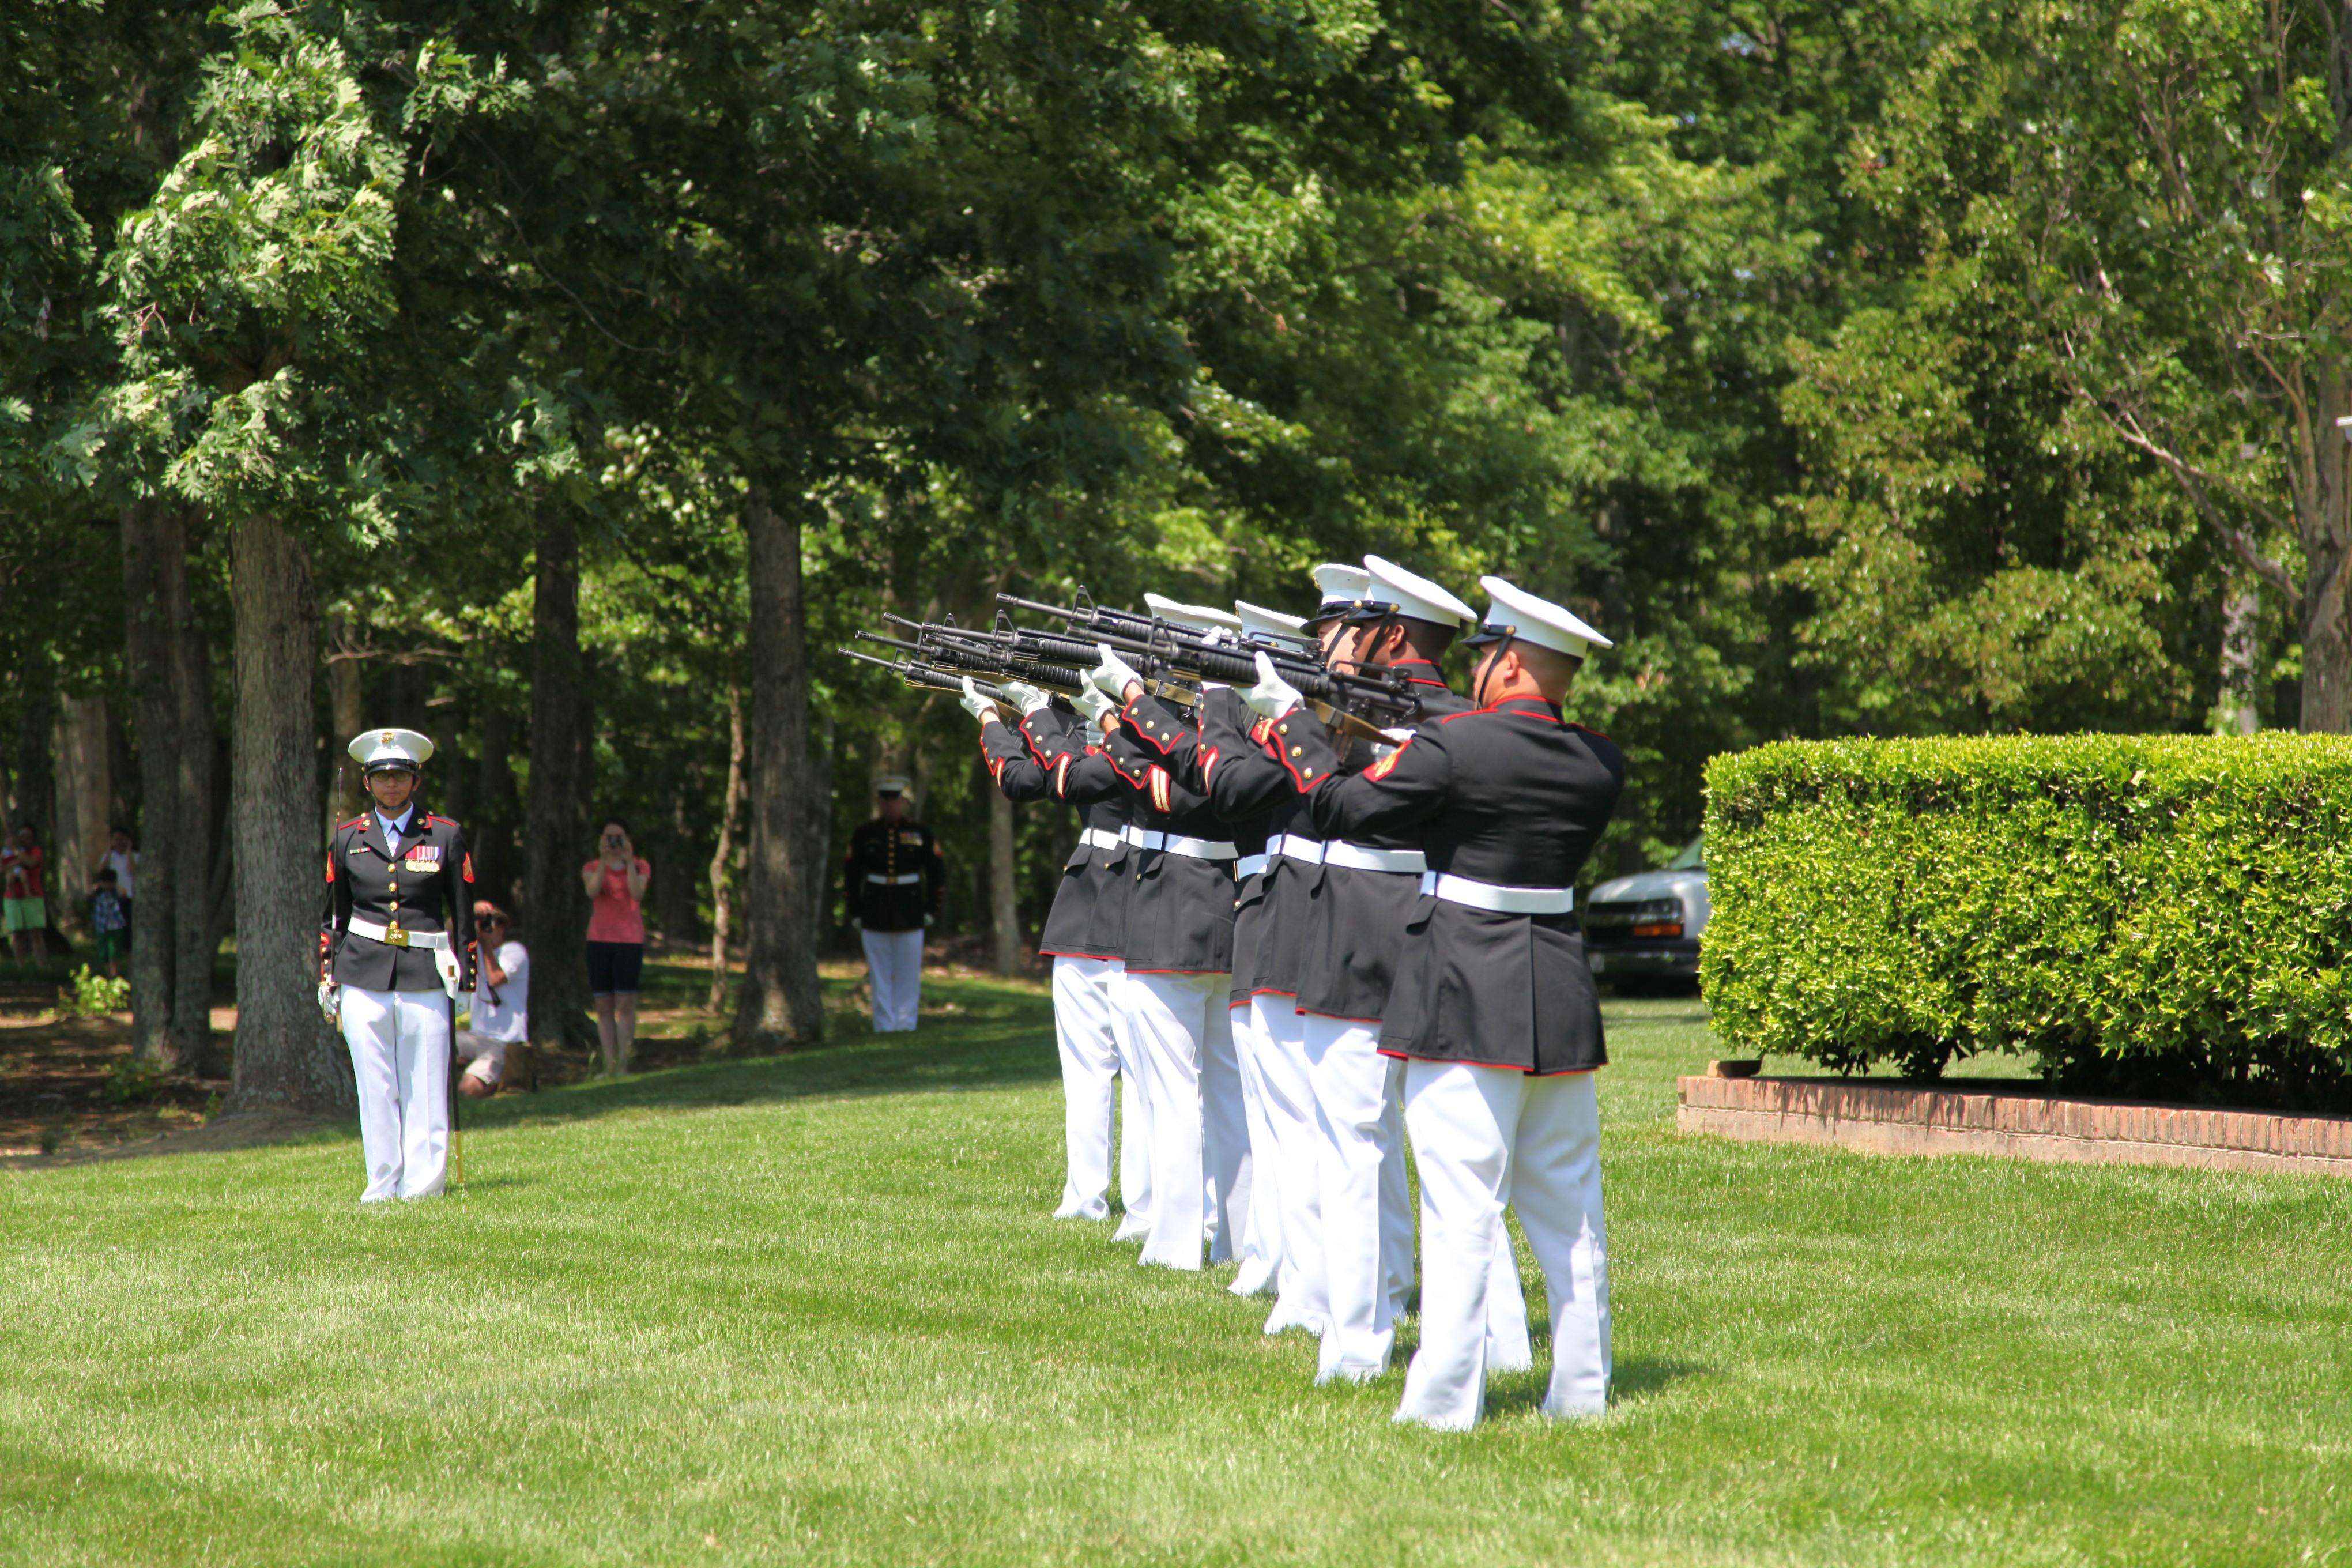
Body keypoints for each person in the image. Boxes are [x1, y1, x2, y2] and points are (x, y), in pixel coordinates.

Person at [1247, 575, 1625, 1428]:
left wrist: (1293, 726)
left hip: (1464, 992)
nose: (1479, 665)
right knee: (1570, 1213)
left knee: (1460, 1210)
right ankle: (1583, 1394)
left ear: (1515, 664)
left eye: (1490, 652)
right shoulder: (1602, 761)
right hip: (1555, 995)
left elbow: (1343, 807)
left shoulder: (1457, 746)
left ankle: (1445, 1402)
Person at [965, 676, 1136, 1222]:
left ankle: (1104, 1201)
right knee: (1123, 1071)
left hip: (1111, 900)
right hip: (1113, 903)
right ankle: (1103, 1199)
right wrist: (997, 717)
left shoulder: (1135, 731)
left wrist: (1018, 715)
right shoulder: (1151, 726)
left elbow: (1046, 777)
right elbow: (1022, 777)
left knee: (1127, 1071)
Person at [319, 728, 477, 1203]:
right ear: (367, 783)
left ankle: (424, 1186)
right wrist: (328, 973)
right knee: (376, 1084)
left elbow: (463, 912)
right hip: (362, 972)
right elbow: (334, 915)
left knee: (427, 1081)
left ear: (416, 780)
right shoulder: (348, 838)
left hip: (426, 970)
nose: (392, 785)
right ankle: (382, 1184)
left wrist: (467, 971)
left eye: (400, 776)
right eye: (382, 777)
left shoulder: (445, 835)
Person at [840, 777, 944, 1032]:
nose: (890, 805)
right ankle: (883, 1026)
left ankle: (906, 1025)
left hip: (910, 911)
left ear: (904, 802)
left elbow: (936, 874)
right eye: (885, 800)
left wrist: (931, 909)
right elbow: (852, 876)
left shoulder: (920, 834)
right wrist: (855, 910)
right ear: (879, 801)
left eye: (895, 800)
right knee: (880, 974)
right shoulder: (865, 834)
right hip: (874, 911)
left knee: (908, 974)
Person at [580, 819, 649, 1074]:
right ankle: (609, 1064)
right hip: (599, 941)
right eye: (609, 837)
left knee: (626, 1004)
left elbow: (637, 893)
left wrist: (629, 861)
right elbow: (592, 891)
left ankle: (624, 1063)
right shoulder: (591, 867)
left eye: (619, 837)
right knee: (603, 1005)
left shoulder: (641, 866)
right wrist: (603, 861)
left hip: (629, 941)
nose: (614, 842)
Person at [455, 902, 528, 1098]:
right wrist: (466, 913)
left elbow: (496, 978)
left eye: (490, 923)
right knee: (439, 1040)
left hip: (503, 1042)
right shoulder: (473, 950)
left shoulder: (514, 951)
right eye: (481, 923)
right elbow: (445, 935)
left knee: (468, 1090)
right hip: (475, 1037)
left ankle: (497, 1080)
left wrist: (485, 943)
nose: (486, 928)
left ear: (502, 927)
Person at [3, 824, 45, 963]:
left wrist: (18, 856)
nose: (25, 839)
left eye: (29, 837)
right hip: (12, 898)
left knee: (36, 934)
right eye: (22, 836)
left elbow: (31, 863)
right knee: (16, 935)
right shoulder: (6, 852)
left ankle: (41, 965)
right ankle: (21, 966)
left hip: (33, 896)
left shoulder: (35, 851)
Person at [89, 868, 128, 979]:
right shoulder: (98, 894)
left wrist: (115, 886)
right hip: (102, 927)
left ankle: (115, 974)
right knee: (104, 953)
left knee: (114, 952)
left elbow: (124, 893)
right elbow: (89, 895)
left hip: (115, 926)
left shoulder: (116, 893)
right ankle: (109, 974)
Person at [94, 828, 136, 932]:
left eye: (122, 839)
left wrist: (129, 850)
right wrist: (109, 850)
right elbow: (101, 872)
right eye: (116, 839)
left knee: (129, 925)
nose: (119, 842)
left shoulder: (135, 856)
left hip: (130, 895)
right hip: (113, 896)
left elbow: (132, 871)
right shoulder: (108, 857)